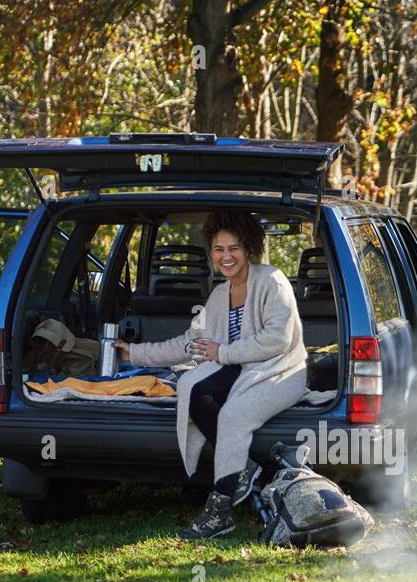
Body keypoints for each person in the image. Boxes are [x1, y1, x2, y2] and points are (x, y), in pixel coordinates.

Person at [115, 209, 308, 540]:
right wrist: (136, 353)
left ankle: (220, 512)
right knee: (190, 385)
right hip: (241, 368)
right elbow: (190, 342)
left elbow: (277, 340)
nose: (226, 257)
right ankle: (244, 468)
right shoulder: (220, 294)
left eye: (233, 248)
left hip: (282, 371)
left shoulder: (272, 281)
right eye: (218, 249)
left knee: (233, 415)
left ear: (247, 247)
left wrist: (224, 352)